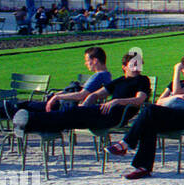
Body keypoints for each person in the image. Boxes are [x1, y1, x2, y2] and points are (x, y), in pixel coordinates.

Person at [111, 54, 184, 179]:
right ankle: (143, 168)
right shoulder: (175, 83)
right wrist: (176, 97)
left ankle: (126, 143)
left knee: (149, 110)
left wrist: (176, 73)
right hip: (169, 116)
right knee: (149, 123)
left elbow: (177, 91)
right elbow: (159, 101)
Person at [12, 49, 149, 138]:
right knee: (70, 117)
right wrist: (84, 107)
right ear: (124, 67)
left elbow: (140, 100)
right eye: (133, 65)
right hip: (101, 112)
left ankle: (29, 120)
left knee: (70, 116)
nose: (137, 68)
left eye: (139, 64)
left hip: (116, 116)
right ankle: (28, 124)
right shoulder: (119, 81)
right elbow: (95, 95)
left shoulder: (142, 80)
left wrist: (116, 101)